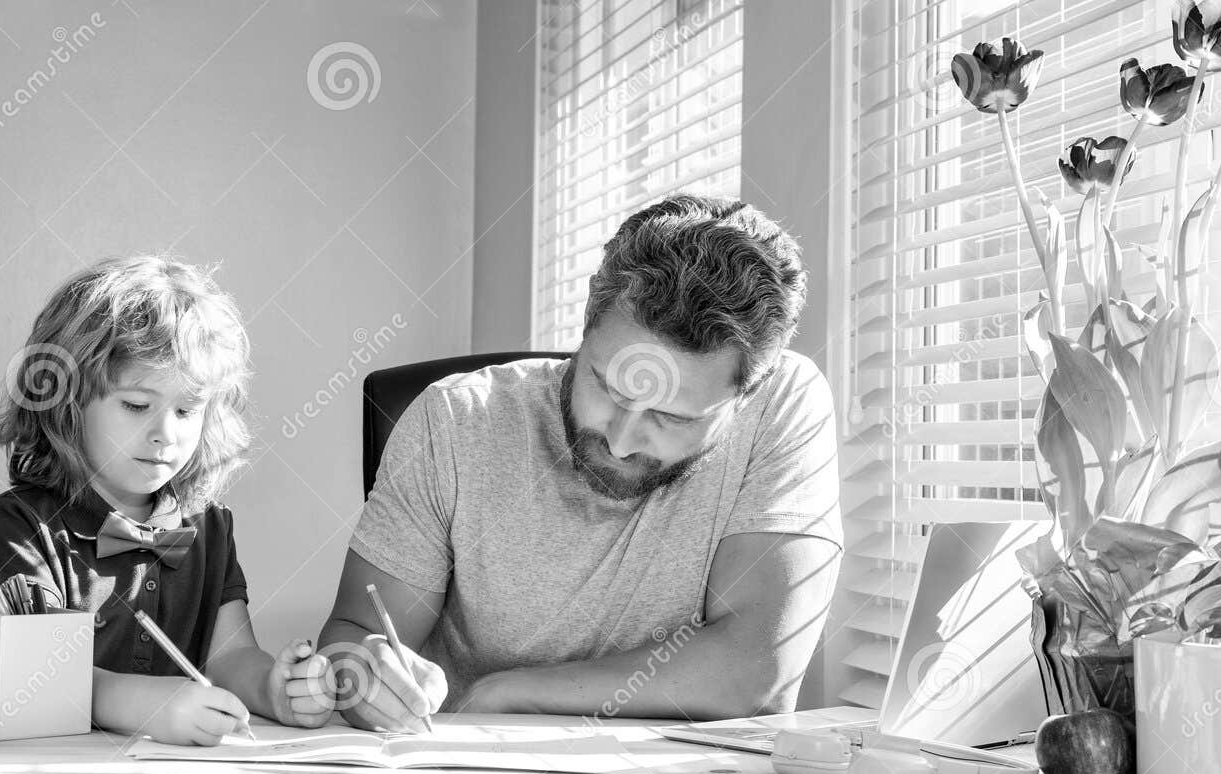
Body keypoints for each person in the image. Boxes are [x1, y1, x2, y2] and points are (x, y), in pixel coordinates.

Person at [319, 194, 842, 730]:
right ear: (590, 315)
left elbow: (757, 672)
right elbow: (351, 635)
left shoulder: (784, 404)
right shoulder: (454, 419)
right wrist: (364, 678)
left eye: (673, 418)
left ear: (747, 393)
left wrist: (511, 694)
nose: (620, 440)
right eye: (606, 386)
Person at [0, 256, 330, 744]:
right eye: (137, 406)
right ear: (68, 403)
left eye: (187, 409)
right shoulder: (18, 525)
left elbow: (229, 656)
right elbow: (41, 680)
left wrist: (274, 690)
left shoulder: (209, 527)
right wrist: (151, 706)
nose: (166, 433)